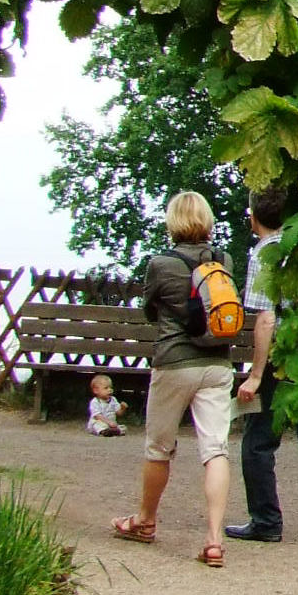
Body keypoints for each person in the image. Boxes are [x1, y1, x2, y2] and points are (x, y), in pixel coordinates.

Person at [111, 190, 237, 567]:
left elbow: (151, 310)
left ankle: (145, 521)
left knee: (158, 447)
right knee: (215, 449)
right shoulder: (224, 260)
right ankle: (214, 540)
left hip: (174, 363)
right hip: (218, 365)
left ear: (172, 222)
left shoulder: (159, 264)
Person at [223, 186, 298, 544]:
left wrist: (256, 375)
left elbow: (265, 319)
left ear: (253, 217)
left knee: (258, 442)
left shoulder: (264, 255)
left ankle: (265, 520)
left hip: (280, 360)